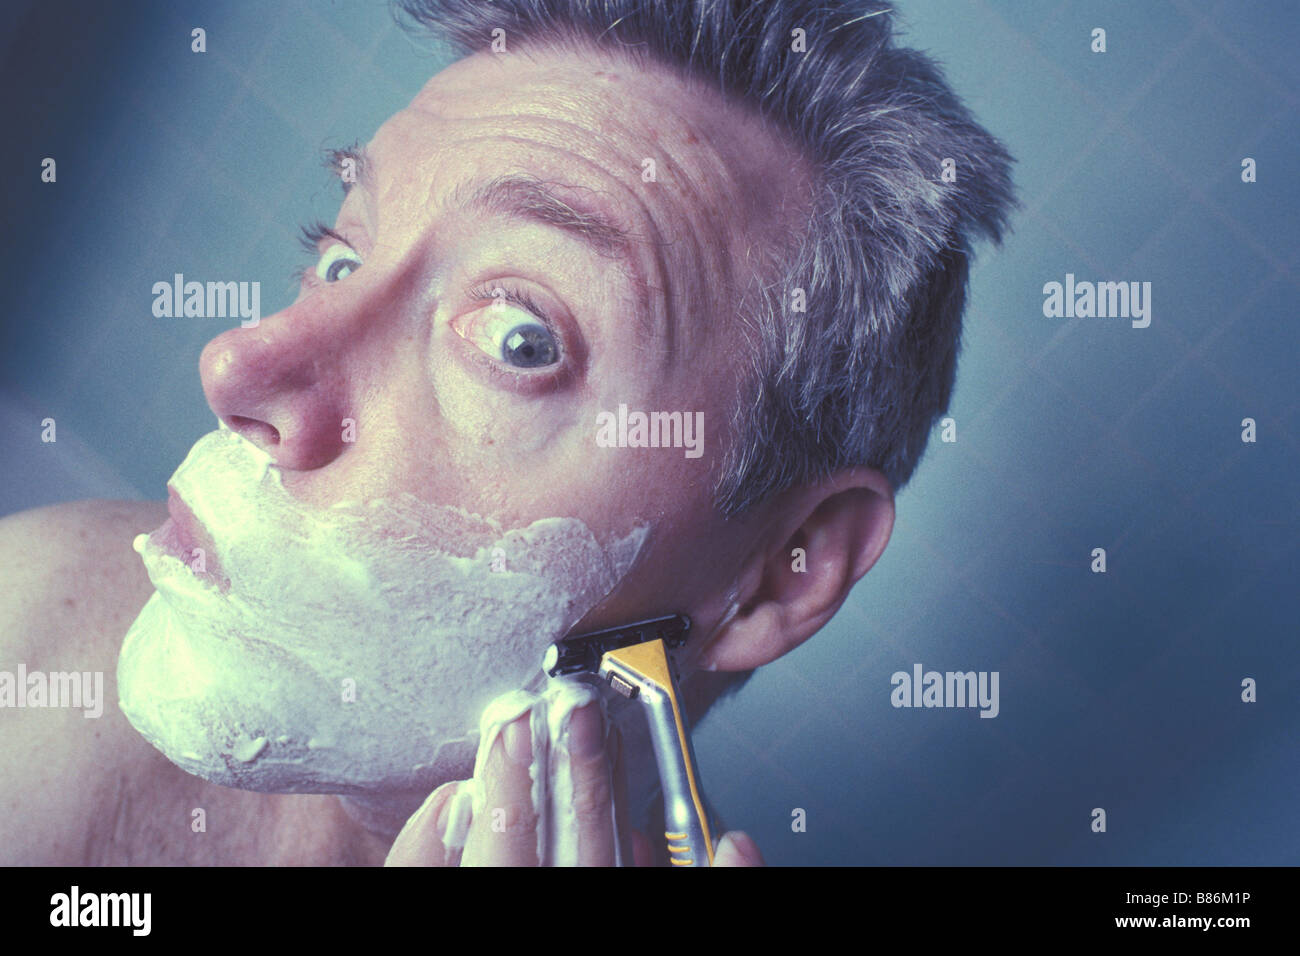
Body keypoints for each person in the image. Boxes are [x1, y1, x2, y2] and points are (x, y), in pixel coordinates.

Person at [0, 0, 1014, 865]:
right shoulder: (35, 639)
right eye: (343, 256)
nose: (238, 366)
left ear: (785, 568)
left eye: (521, 338)